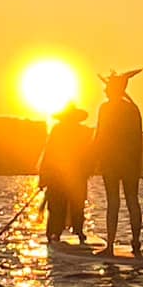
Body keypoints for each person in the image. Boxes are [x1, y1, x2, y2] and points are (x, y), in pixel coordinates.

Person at [95, 69, 143, 253]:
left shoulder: (106, 108)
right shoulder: (133, 109)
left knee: (113, 202)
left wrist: (96, 158)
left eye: (107, 87)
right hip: (130, 164)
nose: (105, 91)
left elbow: (100, 136)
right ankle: (136, 243)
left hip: (112, 164)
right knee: (132, 200)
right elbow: (138, 140)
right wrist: (136, 165)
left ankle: (109, 245)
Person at [38, 104, 92, 244]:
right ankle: (55, 234)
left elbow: (88, 154)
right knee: (59, 206)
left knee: (76, 206)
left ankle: (76, 232)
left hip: (75, 175)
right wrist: (44, 176)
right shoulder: (59, 130)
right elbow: (50, 153)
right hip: (60, 176)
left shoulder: (81, 132)